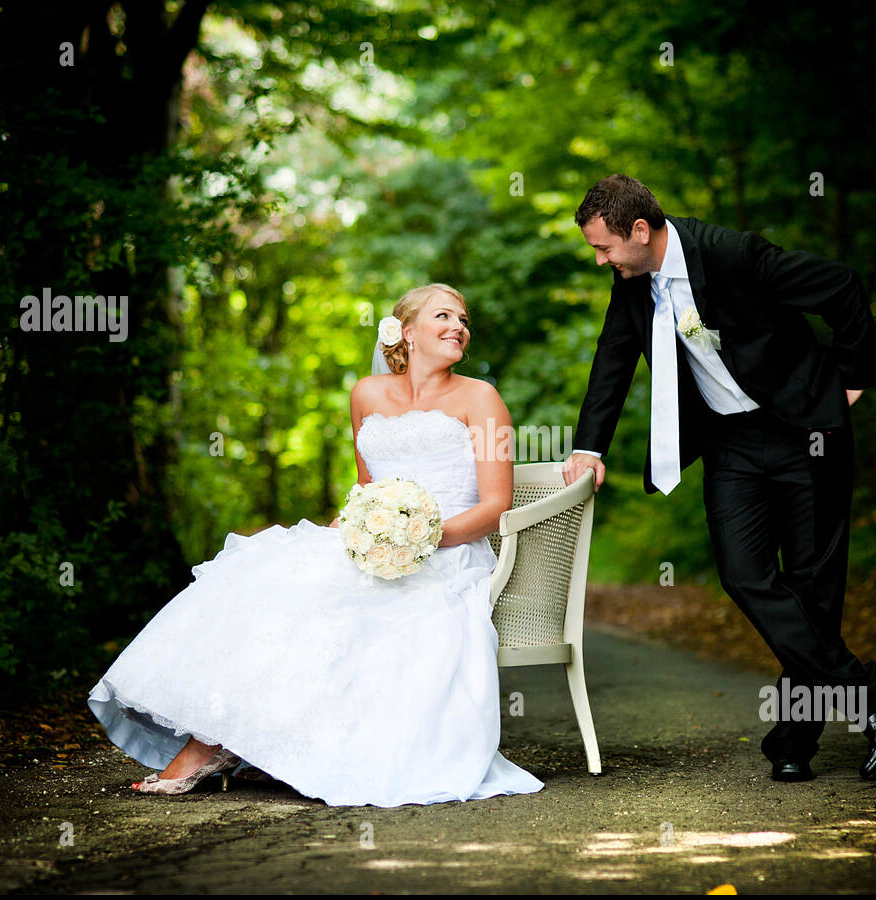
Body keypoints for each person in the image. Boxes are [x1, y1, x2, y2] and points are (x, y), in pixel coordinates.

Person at [87, 283, 544, 806]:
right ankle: (220, 739)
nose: (459, 327)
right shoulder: (366, 395)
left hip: (447, 553)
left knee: (360, 608)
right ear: (406, 331)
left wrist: (419, 541)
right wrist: (356, 532)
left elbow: (495, 507)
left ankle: (233, 749)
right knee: (272, 578)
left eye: (464, 319)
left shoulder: (482, 398)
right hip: (373, 543)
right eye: (444, 315)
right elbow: (366, 491)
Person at [560, 174, 876, 782]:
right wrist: (588, 447)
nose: (600, 259)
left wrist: (854, 379)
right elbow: (612, 362)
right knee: (744, 574)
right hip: (730, 444)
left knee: (812, 588)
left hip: (805, 432)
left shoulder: (734, 253)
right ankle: (867, 687)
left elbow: (841, 286)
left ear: (640, 232)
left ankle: (796, 743)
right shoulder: (633, 284)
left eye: (604, 247)